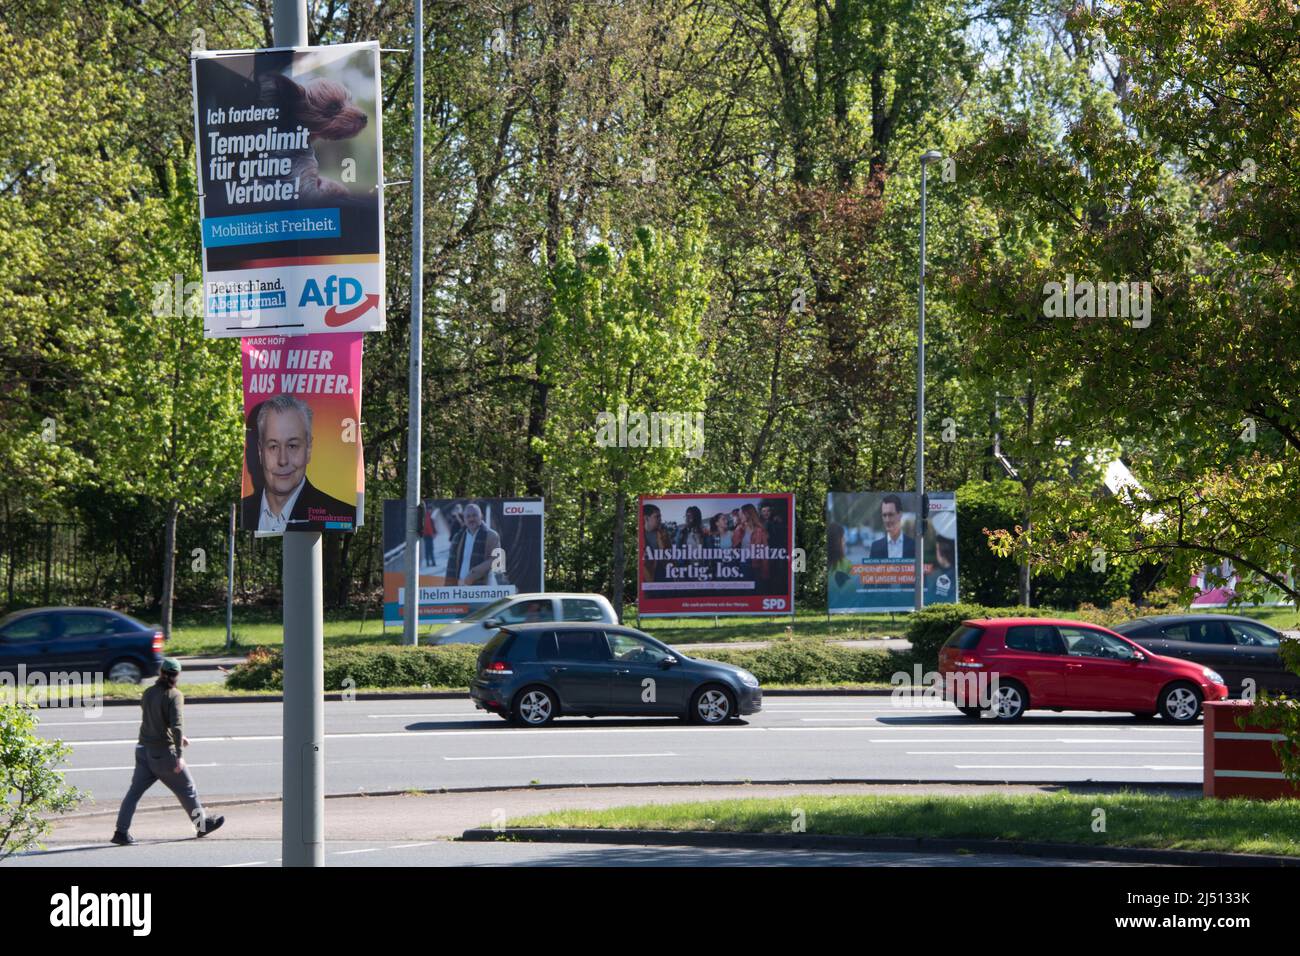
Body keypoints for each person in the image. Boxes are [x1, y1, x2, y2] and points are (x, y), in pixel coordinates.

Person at [111, 659, 224, 845]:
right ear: (177, 675)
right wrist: (179, 755)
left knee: (133, 793)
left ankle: (120, 832)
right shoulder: (174, 695)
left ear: (160, 672)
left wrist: (178, 737)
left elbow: (155, 720)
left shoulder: (148, 693)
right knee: (187, 790)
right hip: (163, 753)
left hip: (142, 750)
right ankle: (202, 825)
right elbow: (176, 724)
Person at [240, 394, 356, 533]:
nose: (283, 460)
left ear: (308, 449)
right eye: (273, 446)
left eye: (292, 446)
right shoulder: (243, 512)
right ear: (260, 451)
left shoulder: (340, 514)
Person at [445, 503, 502, 585]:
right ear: (464, 519)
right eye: (468, 516)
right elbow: (451, 565)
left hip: (483, 588)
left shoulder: (491, 535)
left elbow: (496, 560)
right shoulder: (458, 537)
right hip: (460, 588)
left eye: (474, 515)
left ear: (481, 516)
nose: (471, 519)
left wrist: (473, 574)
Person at [869, 494, 916, 559]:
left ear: (900, 514)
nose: (887, 520)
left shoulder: (914, 546)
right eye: (884, 515)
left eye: (891, 515)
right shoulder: (876, 547)